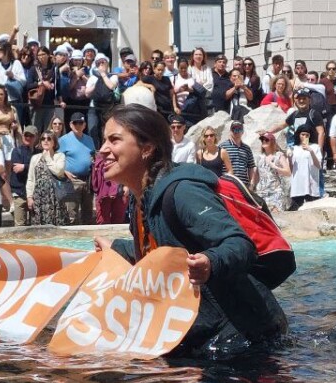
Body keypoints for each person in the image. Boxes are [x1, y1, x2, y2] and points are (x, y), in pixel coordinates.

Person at [94, 105, 287, 359]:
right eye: (104, 140)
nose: (103, 149)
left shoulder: (183, 192)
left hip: (245, 341)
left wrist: (209, 262)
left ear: (147, 148)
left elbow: (240, 244)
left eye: (114, 140)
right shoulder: (140, 199)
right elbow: (163, 251)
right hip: (204, 338)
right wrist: (117, 248)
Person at [58, 112, 95, 225]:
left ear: (85, 125)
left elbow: (94, 156)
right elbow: (56, 160)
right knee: (72, 216)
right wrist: (64, 171)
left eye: (80, 123)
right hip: (72, 180)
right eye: (75, 123)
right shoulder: (63, 140)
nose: (78, 125)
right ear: (70, 124)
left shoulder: (89, 139)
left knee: (88, 215)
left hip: (88, 180)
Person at [26, 129, 67, 226]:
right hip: (39, 197)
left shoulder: (60, 156)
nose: (45, 141)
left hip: (55, 197)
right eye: (43, 139)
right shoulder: (35, 158)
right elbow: (31, 179)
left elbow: (59, 171)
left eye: (49, 139)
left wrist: (47, 157)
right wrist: (29, 197)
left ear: (54, 142)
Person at [7, 126, 36, 226]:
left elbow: (40, 168)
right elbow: (17, 169)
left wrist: (24, 166)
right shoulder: (16, 151)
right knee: (19, 227)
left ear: (35, 137)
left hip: (35, 194)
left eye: (31, 136)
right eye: (26, 135)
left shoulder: (38, 152)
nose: (28, 138)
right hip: (19, 193)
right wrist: (30, 167)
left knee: (36, 226)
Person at [256, 132, 291, 213]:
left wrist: (275, 167)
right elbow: (257, 175)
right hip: (262, 192)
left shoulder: (278, 155)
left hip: (275, 191)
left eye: (266, 140)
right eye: (262, 140)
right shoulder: (260, 157)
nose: (264, 141)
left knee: (277, 214)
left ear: (272, 142)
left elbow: (288, 172)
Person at [288, 127, 321, 209]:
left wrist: (311, 151)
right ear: (298, 135)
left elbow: (318, 165)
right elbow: (291, 169)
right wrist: (289, 158)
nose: (304, 137)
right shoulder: (294, 149)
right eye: (302, 134)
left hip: (311, 184)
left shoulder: (315, 147)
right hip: (298, 185)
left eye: (307, 135)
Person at [219, 120, 257, 186]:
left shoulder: (247, 148)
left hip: (243, 185)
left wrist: (252, 184)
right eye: (234, 129)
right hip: (227, 184)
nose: (236, 131)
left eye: (239, 129)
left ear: (243, 132)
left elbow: (251, 167)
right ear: (230, 131)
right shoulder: (222, 147)